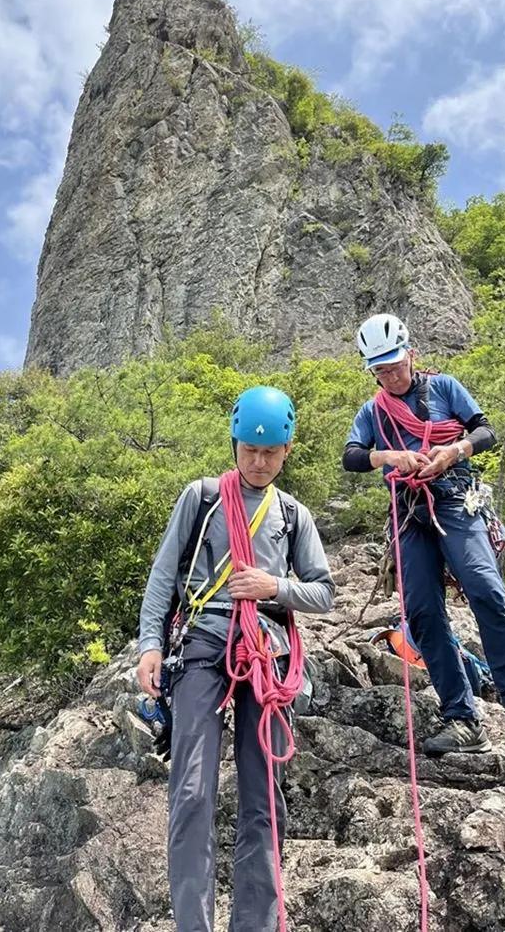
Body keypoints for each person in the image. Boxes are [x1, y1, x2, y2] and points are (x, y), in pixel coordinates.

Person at [137, 386, 334, 932]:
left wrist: (274, 586)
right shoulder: (200, 498)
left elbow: (324, 592)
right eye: (250, 449)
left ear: (287, 451)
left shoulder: (293, 515)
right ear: (235, 442)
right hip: (201, 644)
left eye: (270, 452)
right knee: (193, 791)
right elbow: (162, 576)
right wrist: (149, 645)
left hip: (265, 653)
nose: (259, 461)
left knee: (264, 798)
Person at [343, 313, 505, 759]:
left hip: (456, 499)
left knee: (486, 590)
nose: (391, 375)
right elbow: (352, 456)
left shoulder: (444, 388)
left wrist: (454, 450)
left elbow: (485, 429)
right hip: (410, 510)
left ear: (410, 353)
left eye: (395, 364)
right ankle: (462, 717)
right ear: (371, 370)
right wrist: (390, 456)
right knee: (421, 611)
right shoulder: (373, 412)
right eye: (381, 369)